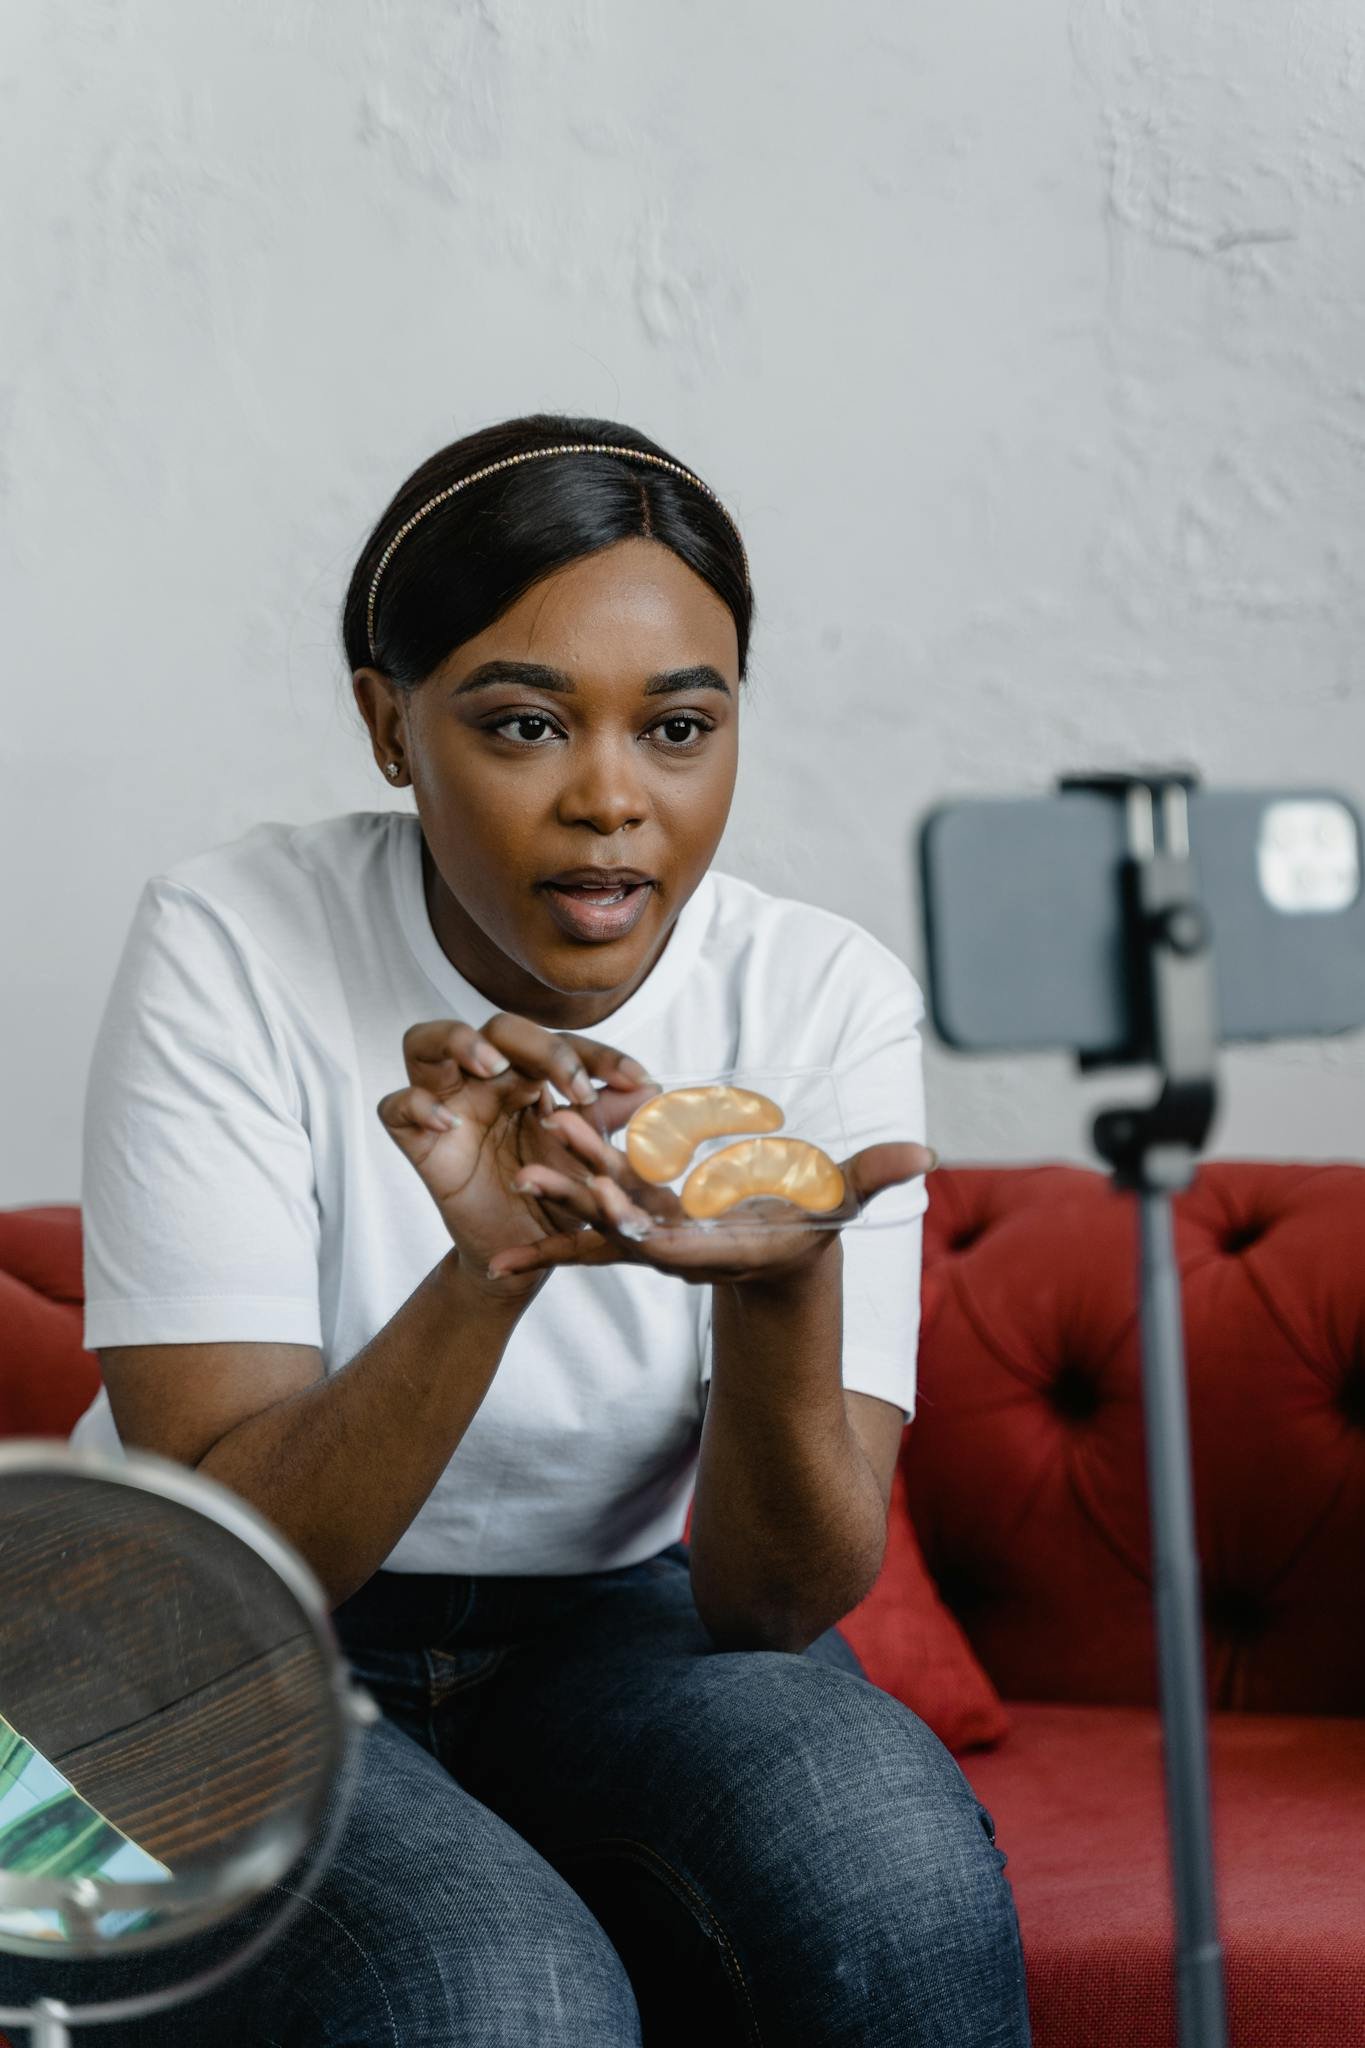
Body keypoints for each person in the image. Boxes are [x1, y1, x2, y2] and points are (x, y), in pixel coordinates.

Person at [38, 415, 1031, 2043]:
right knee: (499, 1994)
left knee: (888, 1866)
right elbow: (235, 1561)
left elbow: (772, 1611)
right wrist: (486, 1267)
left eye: (680, 728)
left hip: (617, 1627)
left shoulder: (819, 995)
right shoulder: (232, 940)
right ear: (387, 725)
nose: (610, 801)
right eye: (521, 723)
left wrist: (785, 1286)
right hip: (207, 1644)